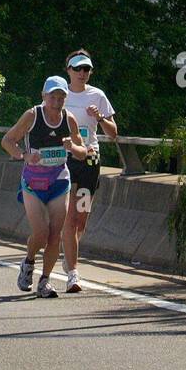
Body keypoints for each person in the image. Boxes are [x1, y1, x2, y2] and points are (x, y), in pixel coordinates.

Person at [2, 77, 88, 298]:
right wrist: (24, 155)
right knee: (40, 233)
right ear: (44, 96)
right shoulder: (32, 115)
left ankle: (44, 281)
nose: (57, 102)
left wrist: (73, 146)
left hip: (59, 179)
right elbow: (8, 140)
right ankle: (29, 262)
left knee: (54, 235)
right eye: (53, 97)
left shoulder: (68, 119)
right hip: (33, 182)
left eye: (61, 98)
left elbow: (82, 151)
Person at [62, 49, 118, 295]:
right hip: (64, 159)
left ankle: (69, 251)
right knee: (69, 217)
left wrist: (100, 118)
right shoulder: (58, 94)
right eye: (78, 69)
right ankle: (73, 273)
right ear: (69, 71)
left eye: (86, 69)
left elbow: (114, 133)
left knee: (81, 217)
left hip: (89, 160)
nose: (82, 73)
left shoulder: (98, 96)